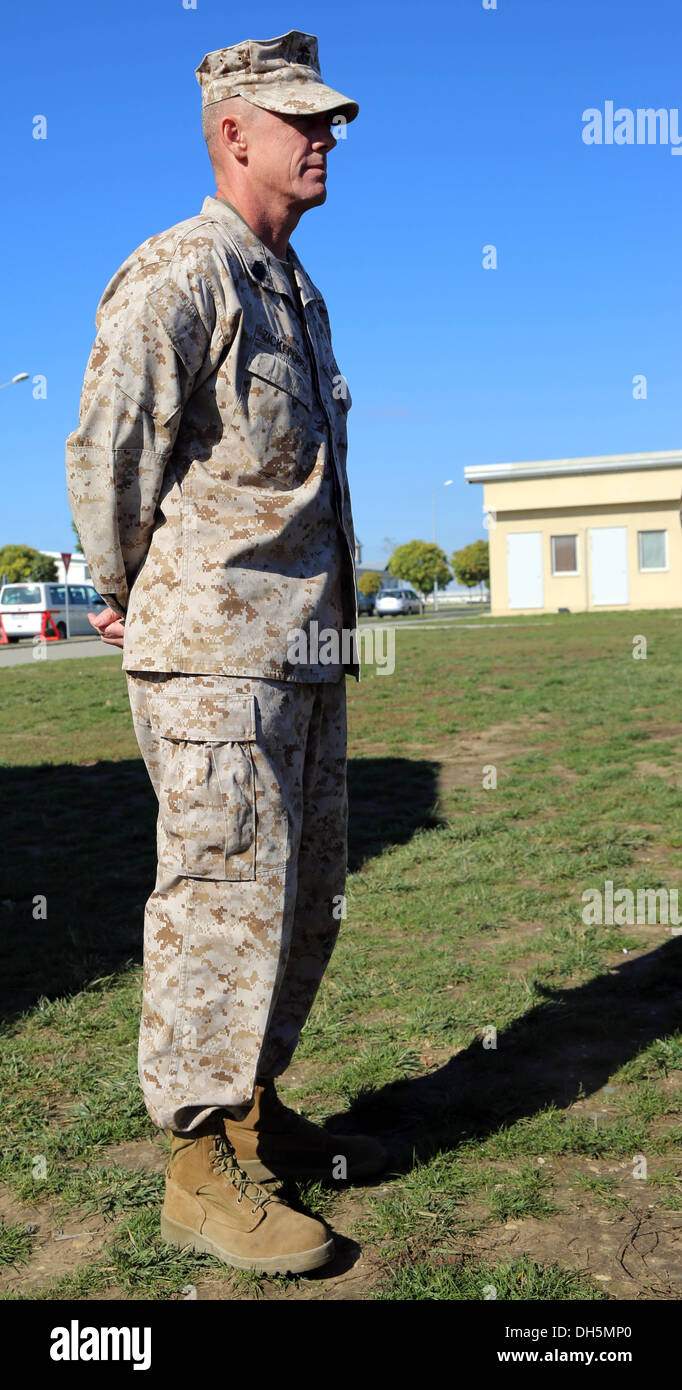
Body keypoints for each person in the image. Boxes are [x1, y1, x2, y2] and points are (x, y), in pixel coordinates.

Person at [66, 29, 386, 1277]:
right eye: (298, 118)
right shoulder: (181, 272)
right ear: (231, 131)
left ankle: (252, 1111)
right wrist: (125, 585)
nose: (322, 137)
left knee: (301, 901)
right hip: (214, 658)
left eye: (328, 119)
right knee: (218, 905)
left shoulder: (292, 288)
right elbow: (109, 460)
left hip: (302, 653)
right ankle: (200, 1169)